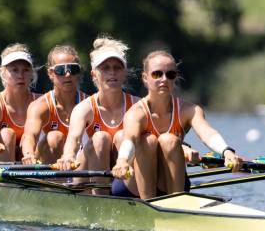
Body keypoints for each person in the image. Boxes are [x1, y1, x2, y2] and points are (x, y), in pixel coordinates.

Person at [110, 50, 241, 199]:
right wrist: (121, 160)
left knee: (169, 140)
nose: (164, 79)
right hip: (134, 186)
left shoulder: (189, 110)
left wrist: (227, 151)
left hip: (171, 183)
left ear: (175, 78)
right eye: (157, 74)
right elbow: (130, 139)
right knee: (148, 141)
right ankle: (149, 205)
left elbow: (207, 133)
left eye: (170, 75)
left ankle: (177, 203)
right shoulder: (136, 113)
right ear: (145, 78)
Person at [54, 36, 137, 179]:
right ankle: (100, 195)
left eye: (117, 68)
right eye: (105, 68)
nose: (112, 72)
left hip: (125, 176)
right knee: (100, 138)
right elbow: (73, 139)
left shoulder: (138, 106)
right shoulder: (84, 109)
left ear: (124, 73)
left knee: (122, 136)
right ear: (94, 74)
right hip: (87, 177)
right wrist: (68, 155)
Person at [20, 45, 85, 164]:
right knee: (55, 136)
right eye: (60, 70)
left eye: (73, 69)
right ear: (50, 73)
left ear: (78, 72)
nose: (67, 74)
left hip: (80, 163)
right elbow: (29, 136)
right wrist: (28, 154)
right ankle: (54, 181)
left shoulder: (89, 103)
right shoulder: (40, 106)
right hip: (52, 165)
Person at [0, 43, 39, 162]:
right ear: (3, 72)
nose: (20, 76)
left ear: (32, 73)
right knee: (7, 134)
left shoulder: (41, 103)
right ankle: (4, 180)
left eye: (25, 70)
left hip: (28, 158)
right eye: (14, 70)